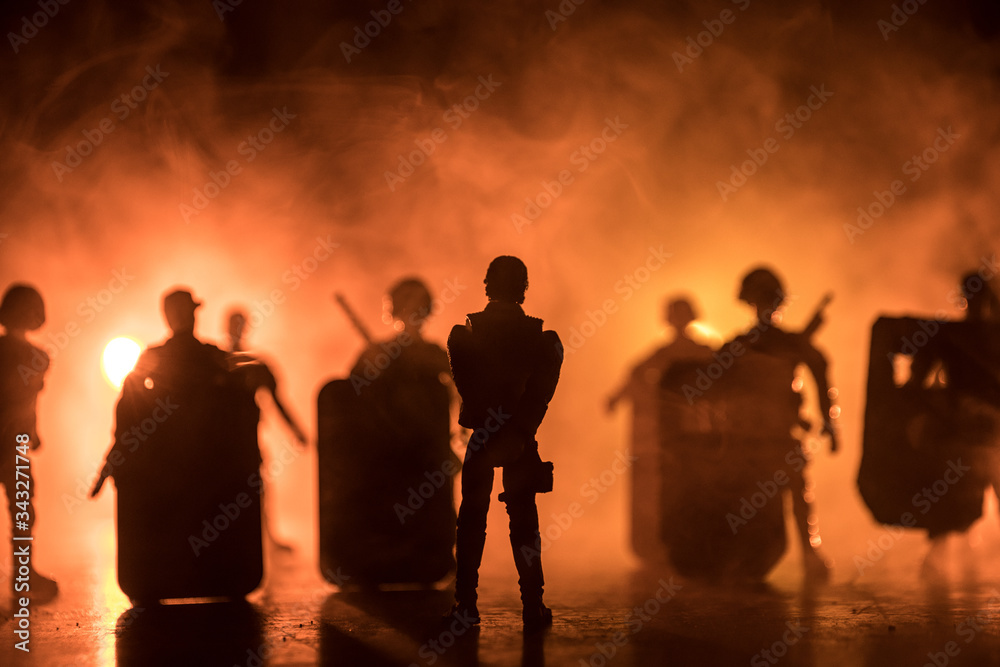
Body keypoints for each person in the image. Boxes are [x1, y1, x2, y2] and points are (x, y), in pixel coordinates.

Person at [447, 256, 562, 631]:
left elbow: (469, 389)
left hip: (483, 435)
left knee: (471, 521)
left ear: (486, 286)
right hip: (520, 438)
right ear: (524, 290)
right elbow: (539, 395)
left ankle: (465, 606)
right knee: (524, 523)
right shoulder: (543, 340)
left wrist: (491, 424)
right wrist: (520, 433)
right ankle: (533, 606)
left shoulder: (464, 335)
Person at [729, 267, 838, 582]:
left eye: (766, 300)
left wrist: (830, 421)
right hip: (748, 438)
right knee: (750, 498)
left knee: (797, 491)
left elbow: (820, 370)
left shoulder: (781, 344)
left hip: (780, 434)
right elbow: (714, 383)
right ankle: (750, 555)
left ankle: (808, 551)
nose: (763, 308)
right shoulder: (742, 345)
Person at [607, 296, 715, 562]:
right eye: (675, 315)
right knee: (673, 491)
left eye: (682, 315)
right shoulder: (664, 353)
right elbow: (636, 373)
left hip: (701, 437)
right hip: (671, 440)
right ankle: (676, 543)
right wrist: (617, 397)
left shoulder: (706, 352)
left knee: (698, 489)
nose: (678, 321)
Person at [907, 271, 1000, 579]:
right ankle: (936, 561)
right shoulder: (953, 338)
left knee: (959, 495)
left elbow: (918, 381)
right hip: (966, 435)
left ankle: (937, 561)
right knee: (955, 499)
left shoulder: (963, 337)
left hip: (983, 435)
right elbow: (919, 380)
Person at [0, 284, 58, 601]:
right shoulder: (38, 357)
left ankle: (24, 577)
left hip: (15, 442)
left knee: (22, 508)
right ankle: (23, 577)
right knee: (22, 509)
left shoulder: (34, 357)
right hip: (14, 444)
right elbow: (26, 402)